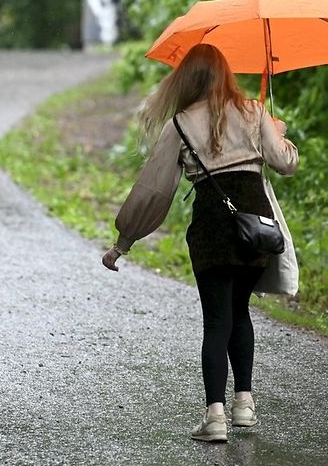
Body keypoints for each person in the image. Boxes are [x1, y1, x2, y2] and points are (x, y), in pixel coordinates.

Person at [101, 44, 298, 443]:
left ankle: (216, 417)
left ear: (188, 78)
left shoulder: (181, 124)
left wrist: (124, 241)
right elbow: (286, 163)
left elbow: (154, 190)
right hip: (255, 226)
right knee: (239, 312)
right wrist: (275, 133)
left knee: (217, 320)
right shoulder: (253, 110)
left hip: (213, 224)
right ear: (225, 74)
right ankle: (244, 405)